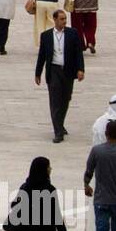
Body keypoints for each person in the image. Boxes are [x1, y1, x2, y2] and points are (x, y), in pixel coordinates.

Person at [36, 9, 85, 143]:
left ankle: (60, 123)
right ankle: (58, 131)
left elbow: (78, 53)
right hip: (54, 71)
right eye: (62, 19)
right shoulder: (46, 36)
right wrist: (38, 72)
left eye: (65, 19)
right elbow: (42, 55)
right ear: (55, 20)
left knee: (66, 98)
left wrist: (80, 69)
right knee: (55, 101)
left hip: (68, 71)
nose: (64, 21)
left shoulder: (72, 34)